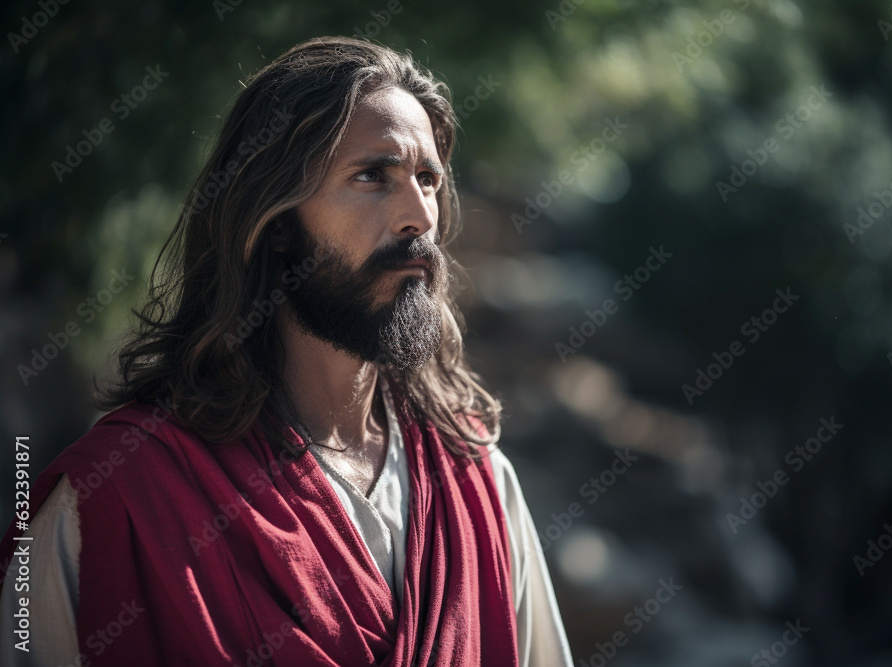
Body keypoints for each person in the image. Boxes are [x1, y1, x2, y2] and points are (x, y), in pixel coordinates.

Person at [0, 36, 573, 666]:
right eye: (372, 177)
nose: (419, 217)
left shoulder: (479, 483)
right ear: (272, 223)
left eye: (428, 180)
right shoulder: (113, 503)